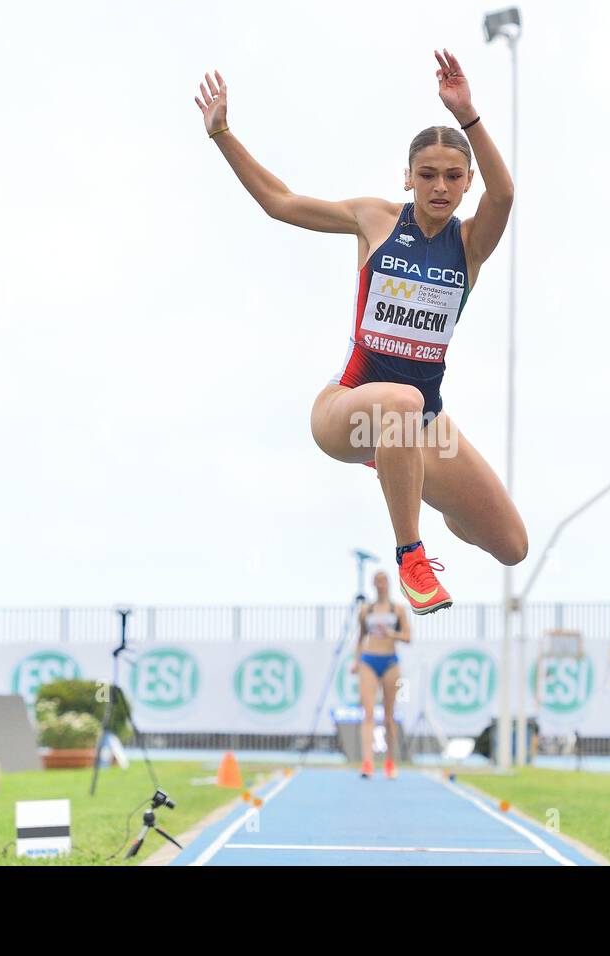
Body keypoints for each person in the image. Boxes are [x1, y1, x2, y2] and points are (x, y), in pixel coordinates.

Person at [195, 49, 527, 616]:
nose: (440, 187)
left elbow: (506, 196)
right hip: (347, 406)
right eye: (427, 175)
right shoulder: (376, 220)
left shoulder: (470, 246)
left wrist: (468, 114)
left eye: (453, 176)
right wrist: (222, 132)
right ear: (408, 178)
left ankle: (429, 492)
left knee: (511, 546)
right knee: (402, 397)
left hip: (419, 429)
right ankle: (411, 557)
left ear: (468, 181)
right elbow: (280, 202)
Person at [352, 570, 411, 779]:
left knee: (389, 716)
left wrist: (391, 633)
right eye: (376, 581)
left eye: (383, 581)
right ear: (373, 585)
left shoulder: (398, 609)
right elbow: (360, 638)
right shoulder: (366, 610)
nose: (380, 585)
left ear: (389, 584)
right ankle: (367, 762)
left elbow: (407, 637)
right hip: (369, 660)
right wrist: (356, 661)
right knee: (368, 714)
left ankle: (389, 761)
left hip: (390, 661)